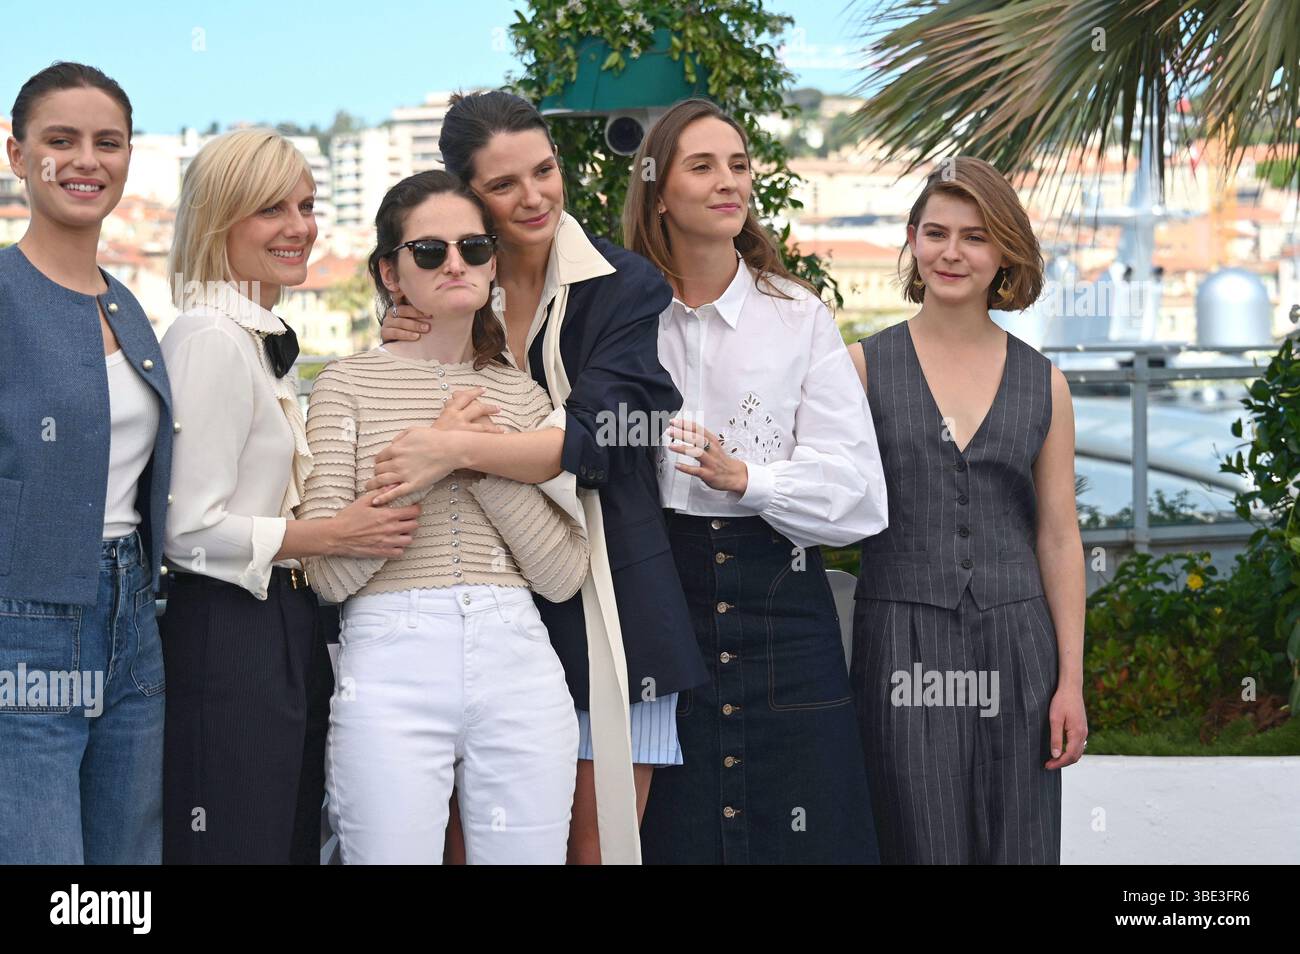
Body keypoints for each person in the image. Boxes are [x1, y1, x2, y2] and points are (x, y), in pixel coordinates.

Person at [377, 90, 709, 863]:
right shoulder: (440, 287)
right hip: (473, 603)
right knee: (465, 849)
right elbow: (401, 426)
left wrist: (455, 449)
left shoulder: (627, 288)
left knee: (594, 849)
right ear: (467, 196)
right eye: (502, 185)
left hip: (610, 605)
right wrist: (407, 351)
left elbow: (600, 441)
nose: (533, 197)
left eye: (545, 171)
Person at [622, 98, 889, 863]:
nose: (728, 181)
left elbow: (860, 496)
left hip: (785, 599)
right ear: (658, 189)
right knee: (676, 830)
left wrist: (751, 480)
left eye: (739, 164)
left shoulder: (798, 315)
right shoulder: (618, 318)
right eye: (702, 166)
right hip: (659, 599)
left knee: (805, 829)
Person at [299, 169, 588, 864]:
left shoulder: (521, 394)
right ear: (390, 274)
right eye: (429, 251)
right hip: (388, 660)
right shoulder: (346, 383)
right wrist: (426, 467)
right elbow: (329, 573)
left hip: (519, 654)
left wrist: (465, 457)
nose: (456, 263)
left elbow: (562, 573)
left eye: (474, 247)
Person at [160, 129, 420, 864]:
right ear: (220, 219)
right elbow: (186, 530)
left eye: (306, 205)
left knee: (287, 840)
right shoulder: (210, 337)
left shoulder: (255, 336)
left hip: (287, 622)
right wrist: (336, 534)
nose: (300, 226)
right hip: (229, 630)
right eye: (271, 209)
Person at [849, 156, 1087, 864]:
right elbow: (822, 503)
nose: (953, 253)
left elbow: (1059, 538)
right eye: (936, 233)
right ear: (913, 243)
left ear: (1005, 251)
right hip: (900, 638)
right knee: (918, 838)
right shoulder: (861, 368)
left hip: (1020, 642)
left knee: (1021, 842)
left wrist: (1069, 680)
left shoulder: (1046, 383)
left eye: (976, 237)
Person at [0, 62, 172, 865]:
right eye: (59, 140)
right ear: (17, 155)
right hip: (22, 628)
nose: (85, 160)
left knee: (124, 866)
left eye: (108, 142)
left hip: (134, 620)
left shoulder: (127, 306)